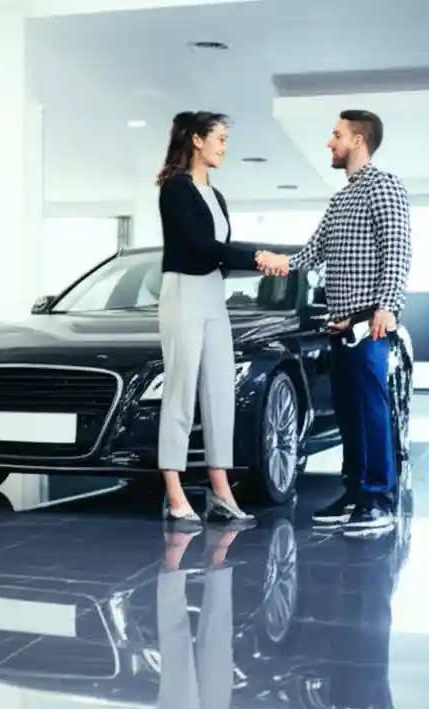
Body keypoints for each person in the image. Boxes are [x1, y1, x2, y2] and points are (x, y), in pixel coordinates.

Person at [258, 110, 412, 532]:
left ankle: (380, 498)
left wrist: (388, 305)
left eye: (336, 135)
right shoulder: (341, 198)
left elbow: (398, 248)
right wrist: (278, 262)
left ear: (358, 141)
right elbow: (312, 253)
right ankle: (356, 491)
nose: (330, 143)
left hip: (369, 322)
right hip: (339, 326)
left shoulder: (384, 186)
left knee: (372, 409)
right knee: (349, 412)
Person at [155, 110, 279, 528]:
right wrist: (258, 257)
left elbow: (217, 250)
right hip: (184, 292)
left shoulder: (216, 195)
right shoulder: (175, 189)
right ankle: (173, 491)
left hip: (212, 296)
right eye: (220, 139)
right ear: (196, 140)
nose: (224, 147)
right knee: (181, 391)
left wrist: (254, 260)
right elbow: (199, 245)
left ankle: (220, 490)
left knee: (219, 392)